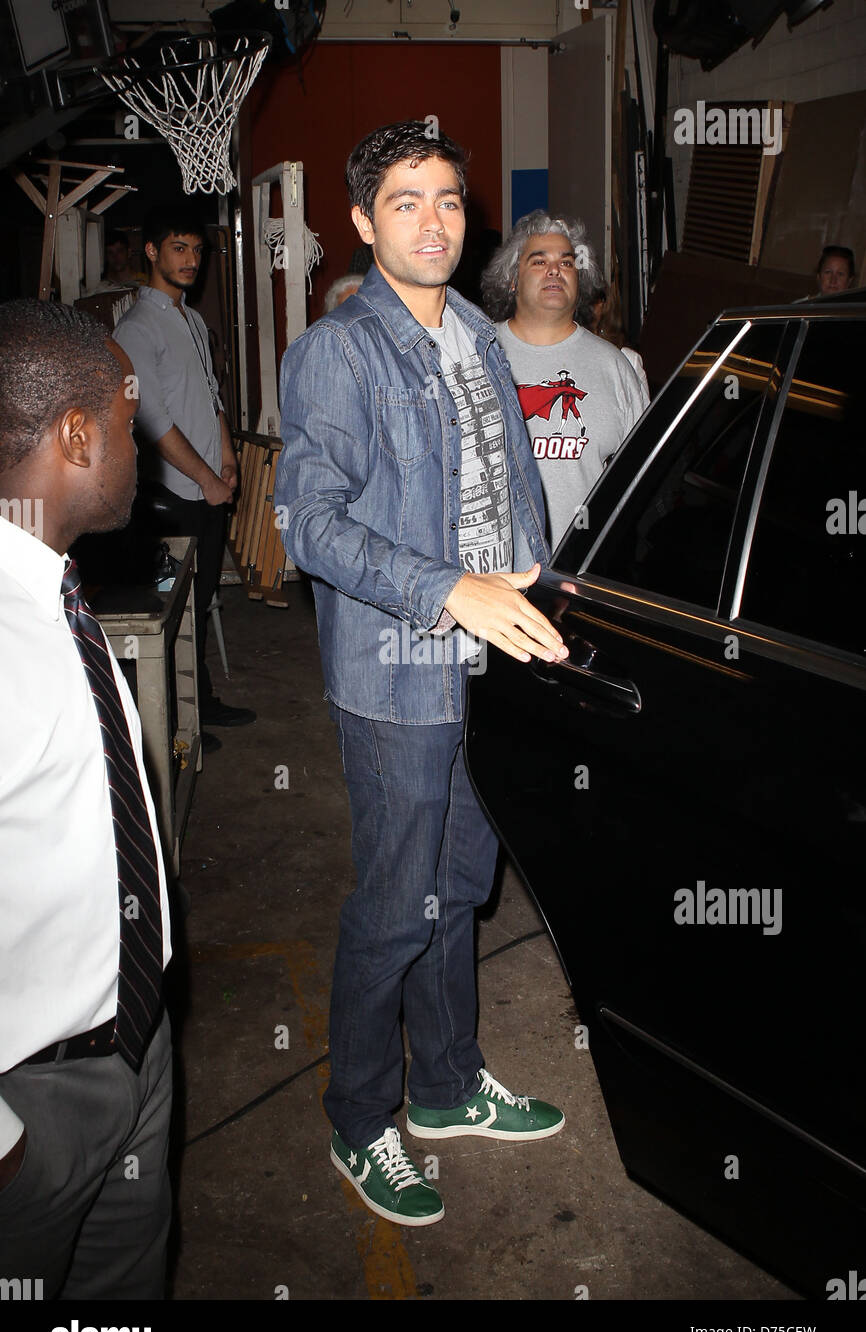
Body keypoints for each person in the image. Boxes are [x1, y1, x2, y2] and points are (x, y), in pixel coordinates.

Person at [275, 121, 569, 1228]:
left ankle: (445, 1087)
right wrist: (447, 588)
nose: (433, 221)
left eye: (447, 199)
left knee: (457, 892)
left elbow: (503, 490)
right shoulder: (337, 352)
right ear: (361, 220)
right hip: (400, 673)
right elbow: (310, 524)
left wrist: (538, 593)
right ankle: (361, 1118)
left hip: (486, 665)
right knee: (395, 907)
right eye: (405, 201)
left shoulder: (482, 337)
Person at [0, 299, 173, 1298]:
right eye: (124, 416)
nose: (137, 439)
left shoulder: (56, 596)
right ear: (75, 434)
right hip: (39, 1107)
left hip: (134, 1053)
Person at [113, 203, 255, 751]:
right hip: (172, 494)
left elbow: (212, 400)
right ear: (152, 251)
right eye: (179, 248)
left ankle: (202, 703)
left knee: (198, 601)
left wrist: (227, 459)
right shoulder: (137, 325)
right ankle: (172, 719)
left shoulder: (193, 320)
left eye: (197, 249)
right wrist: (206, 478)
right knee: (172, 608)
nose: (191, 259)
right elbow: (152, 422)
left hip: (207, 486)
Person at [482, 211, 648, 549]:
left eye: (567, 263)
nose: (555, 270)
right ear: (512, 279)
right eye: (539, 262)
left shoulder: (615, 367)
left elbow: (642, 478)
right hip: (494, 579)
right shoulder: (477, 355)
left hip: (582, 573)